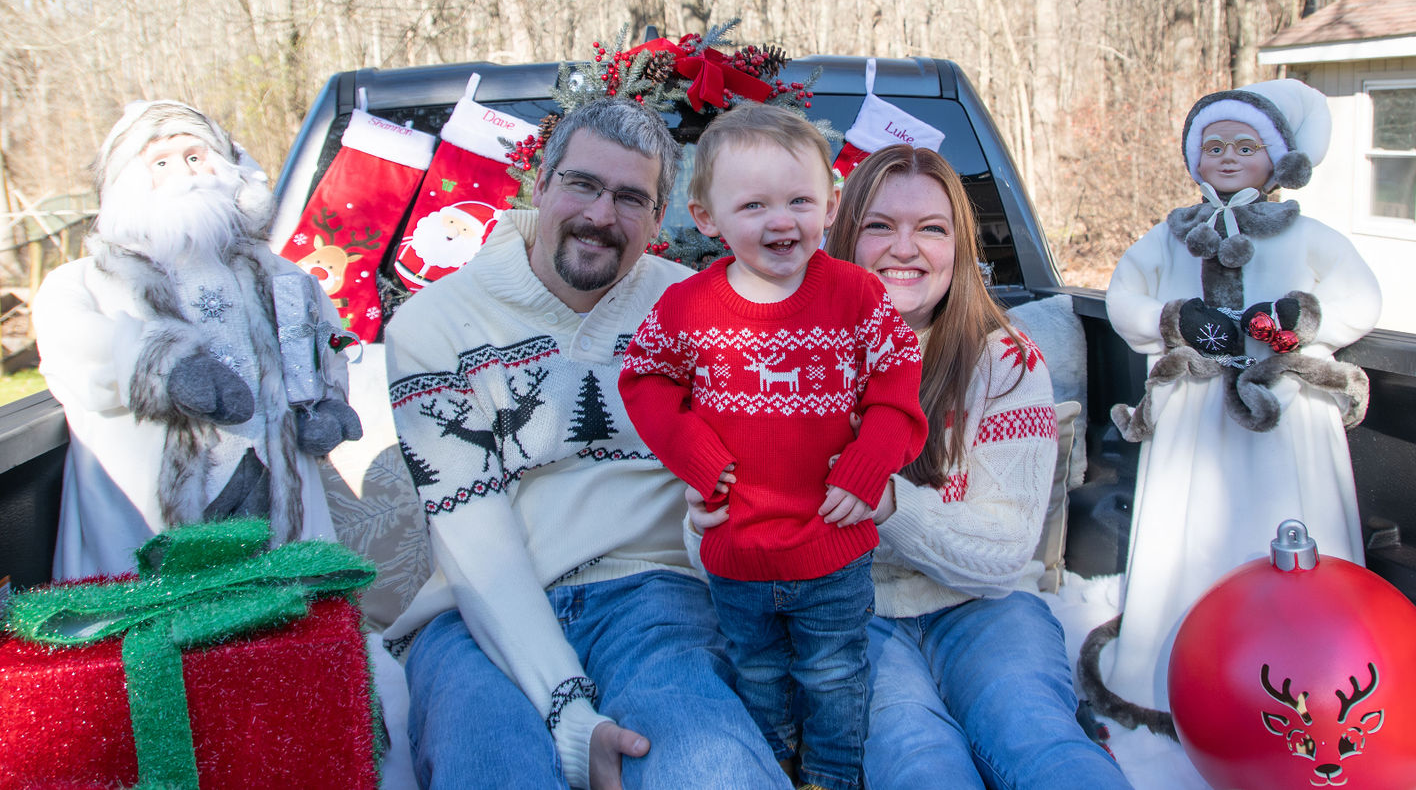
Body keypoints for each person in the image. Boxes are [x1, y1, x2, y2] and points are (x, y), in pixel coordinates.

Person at [688, 144, 1131, 790]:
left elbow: (1006, 554)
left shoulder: (1004, 363)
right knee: (918, 759)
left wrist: (883, 500)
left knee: (1036, 739)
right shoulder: (773, 360)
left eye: (930, 228)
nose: (905, 248)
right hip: (851, 617)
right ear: (843, 238)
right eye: (879, 226)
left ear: (958, 247)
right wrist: (711, 522)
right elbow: (718, 551)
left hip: (986, 606)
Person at [380, 98, 790, 790]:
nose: (602, 215)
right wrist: (568, 710)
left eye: (632, 197)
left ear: (661, 220)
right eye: (582, 184)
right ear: (539, 185)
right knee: (488, 764)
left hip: (654, 600)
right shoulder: (434, 325)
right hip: (474, 610)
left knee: (712, 768)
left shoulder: (704, 313)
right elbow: (472, 534)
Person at [620, 104, 928, 790]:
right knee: (755, 671)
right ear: (707, 218)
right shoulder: (688, 309)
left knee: (835, 672)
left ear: (831, 203)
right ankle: (771, 767)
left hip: (833, 548)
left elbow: (897, 377)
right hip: (738, 551)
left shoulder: (856, 296)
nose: (780, 220)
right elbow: (644, 379)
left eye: (798, 200)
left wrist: (869, 462)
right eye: (753, 205)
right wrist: (696, 457)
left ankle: (832, 775)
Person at [1085, 79, 1381, 723]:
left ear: (1278, 159)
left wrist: (1304, 321)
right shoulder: (1170, 237)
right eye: (1212, 144)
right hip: (1197, 415)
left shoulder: (1308, 236)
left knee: (1289, 534)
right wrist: (1176, 320)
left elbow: (1362, 298)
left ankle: (1312, 686)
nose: (1226, 155)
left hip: (1288, 413)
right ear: (1194, 158)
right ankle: (1171, 678)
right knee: (1189, 538)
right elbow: (1121, 298)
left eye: (1244, 145)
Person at [33, 101, 357, 580]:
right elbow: (76, 347)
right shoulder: (88, 282)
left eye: (194, 157)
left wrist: (329, 403)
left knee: (282, 609)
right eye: (161, 163)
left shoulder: (280, 275)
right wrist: (164, 367)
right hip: (150, 505)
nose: (185, 174)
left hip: (272, 478)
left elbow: (321, 340)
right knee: (175, 622)